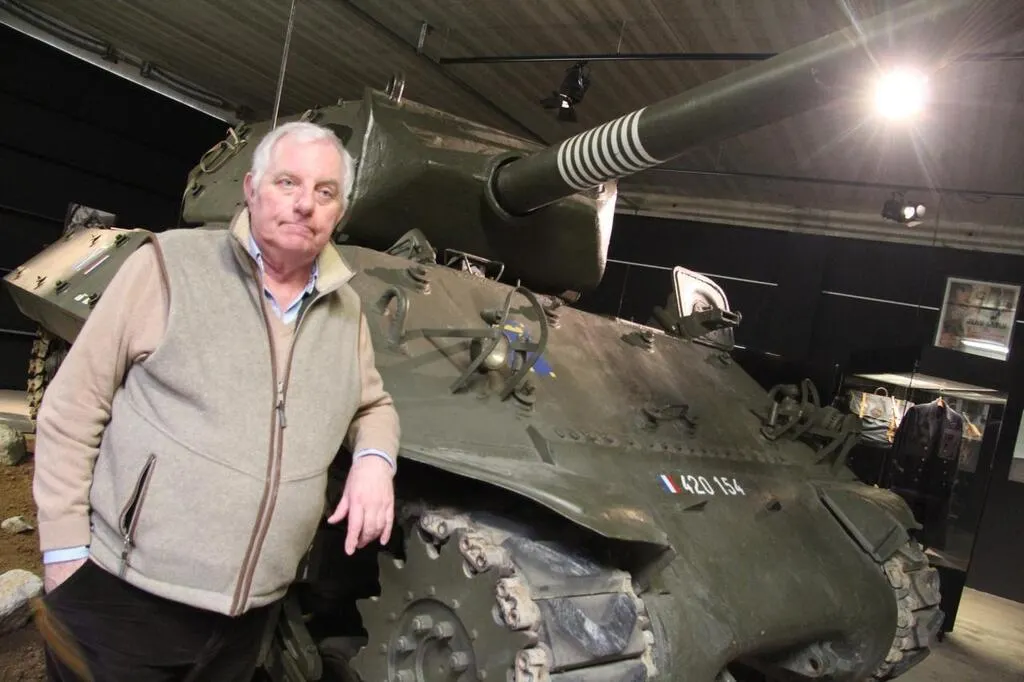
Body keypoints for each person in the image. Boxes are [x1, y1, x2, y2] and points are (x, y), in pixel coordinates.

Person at [32, 121, 401, 681]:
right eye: (287, 183)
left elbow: (374, 405)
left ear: (339, 211)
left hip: (247, 617)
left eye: (325, 192)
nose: (305, 204)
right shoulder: (169, 266)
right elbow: (72, 408)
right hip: (126, 593)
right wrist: (62, 554)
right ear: (251, 189)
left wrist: (375, 461)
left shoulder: (345, 311)